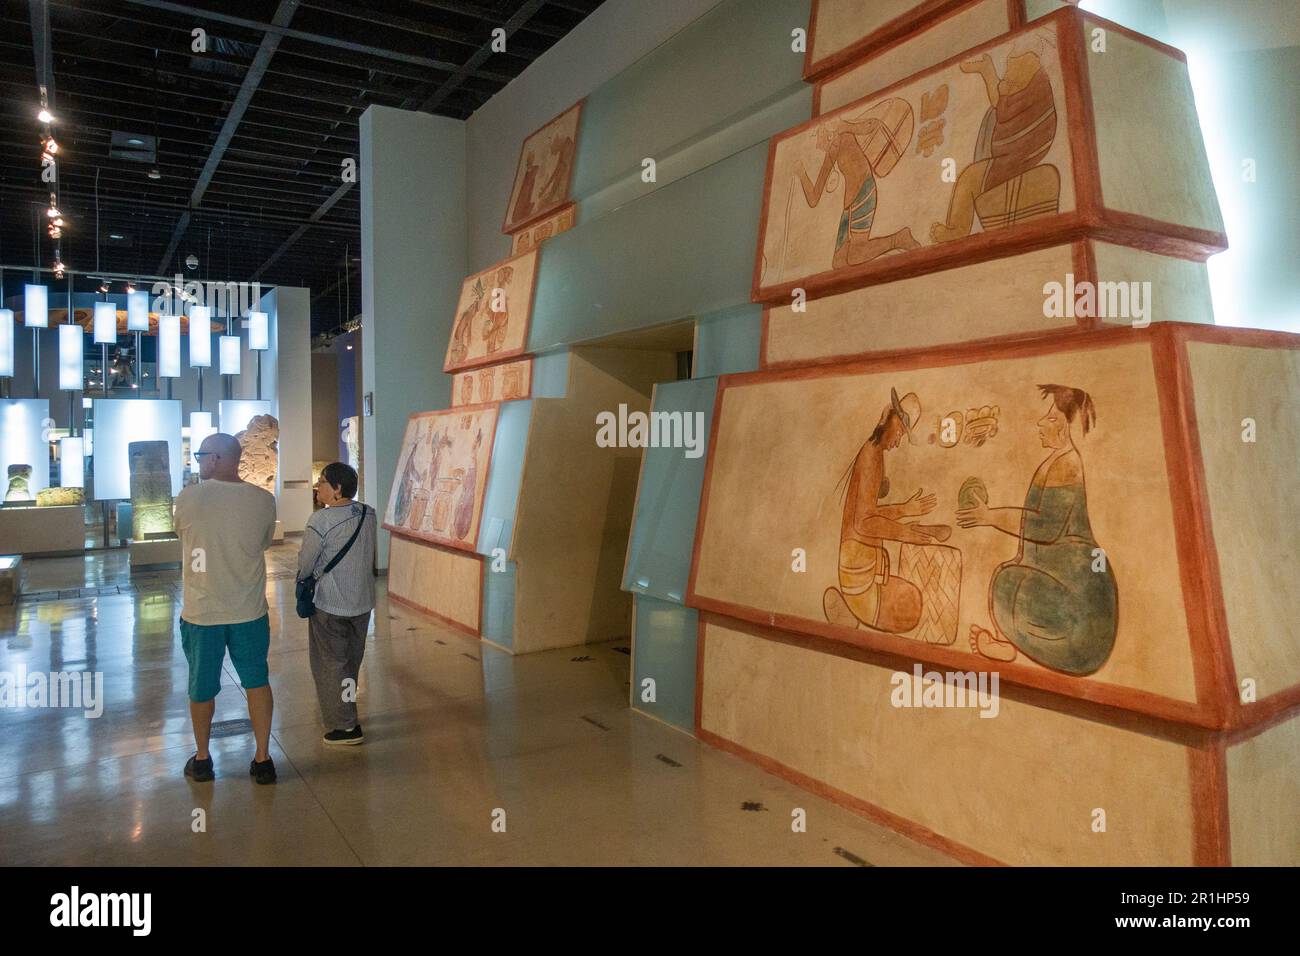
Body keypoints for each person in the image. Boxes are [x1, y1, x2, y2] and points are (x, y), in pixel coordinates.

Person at [956, 384, 1118, 675]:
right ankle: (1012, 643)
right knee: (1009, 577)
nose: (1042, 424)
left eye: (1052, 420)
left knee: (1008, 581)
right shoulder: (1057, 462)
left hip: (1078, 605)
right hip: (1061, 585)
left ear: (1066, 428)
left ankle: (1010, 644)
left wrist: (990, 516)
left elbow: (1044, 527)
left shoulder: (1068, 465)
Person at [175, 433, 278, 785]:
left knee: (201, 686)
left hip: (203, 612)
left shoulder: (190, 497)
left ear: (217, 458)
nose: (199, 461)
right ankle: (263, 758)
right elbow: (263, 542)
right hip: (248, 608)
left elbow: (182, 534)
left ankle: (203, 758)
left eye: (202, 455)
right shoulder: (264, 499)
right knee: (257, 680)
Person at [823, 389, 951, 634]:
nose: (898, 442)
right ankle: (852, 611)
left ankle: (853, 612)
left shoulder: (873, 453)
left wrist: (905, 510)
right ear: (888, 417)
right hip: (860, 577)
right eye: (901, 432)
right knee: (913, 608)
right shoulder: (871, 456)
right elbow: (864, 523)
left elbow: (869, 513)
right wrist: (907, 533)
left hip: (866, 568)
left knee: (914, 597)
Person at [300, 462, 377, 745]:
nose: (317, 486)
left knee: (331, 663)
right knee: (350, 662)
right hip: (362, 601)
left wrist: (302, 577)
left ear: (337, 488)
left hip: (330, 604)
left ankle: (345, 726)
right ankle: (348, 712)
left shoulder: (320, 520)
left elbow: (306, 562)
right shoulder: (368, 513)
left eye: (322, 481)